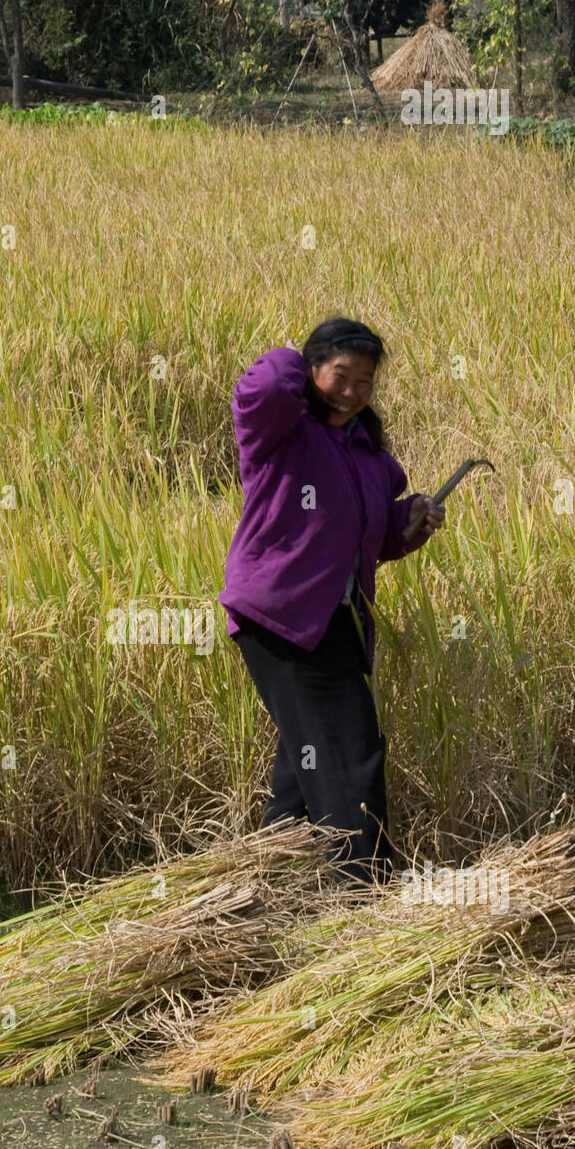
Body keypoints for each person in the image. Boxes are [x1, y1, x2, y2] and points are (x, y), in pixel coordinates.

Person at [219, 318, 445, 885]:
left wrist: (410, 520)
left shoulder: (369, 457)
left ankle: (266, 889)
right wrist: (297, 357)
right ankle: (361, 898)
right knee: (351, 751)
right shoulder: (281, 431)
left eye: (365, 381)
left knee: (308, 759)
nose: (353, 390)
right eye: (340, 374)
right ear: (312, 370)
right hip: (283, 617)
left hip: (337, 622)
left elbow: (372, 537)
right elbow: (261, 387)